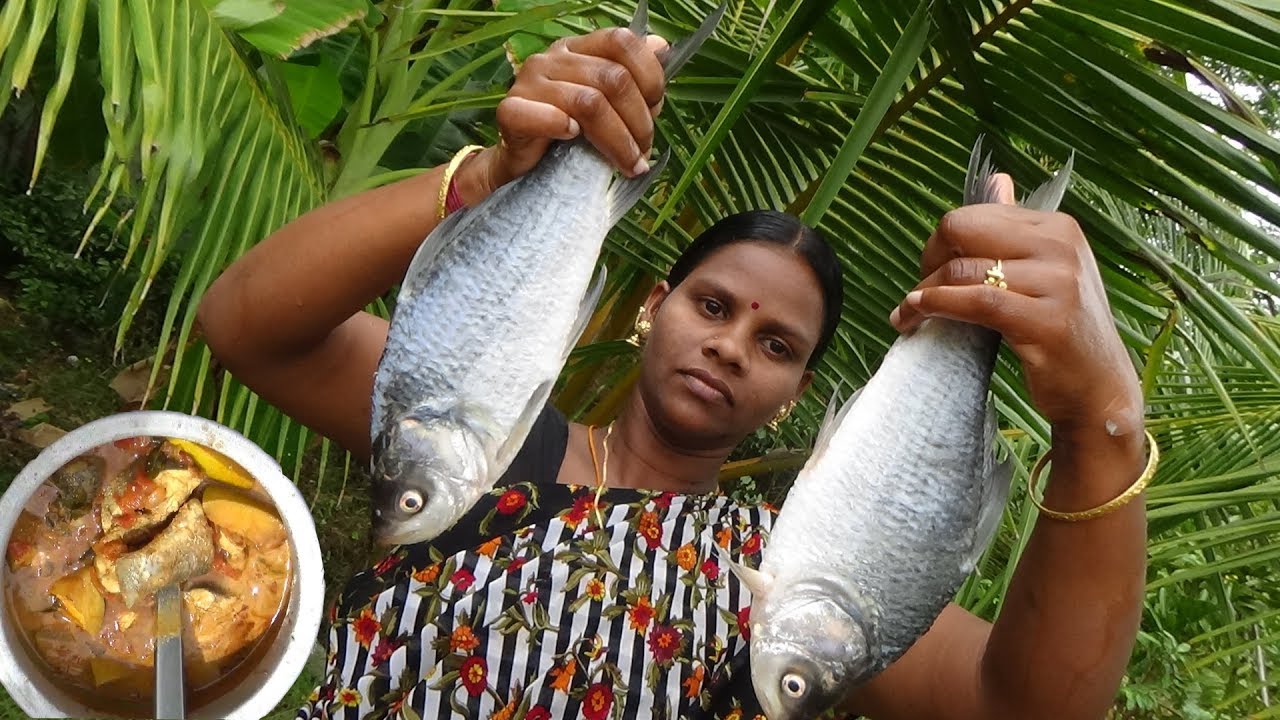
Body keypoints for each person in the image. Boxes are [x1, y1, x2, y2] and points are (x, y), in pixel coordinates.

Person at [197, 22, 1150, 720]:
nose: (733, 344)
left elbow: (1027, 708)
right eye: (713, 305)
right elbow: (246, 326)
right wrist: (480, 182)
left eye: (777, 346)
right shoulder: (480, 448)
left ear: (807, 403)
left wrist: (1102, 421)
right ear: (654, 306)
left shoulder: (806, 573)